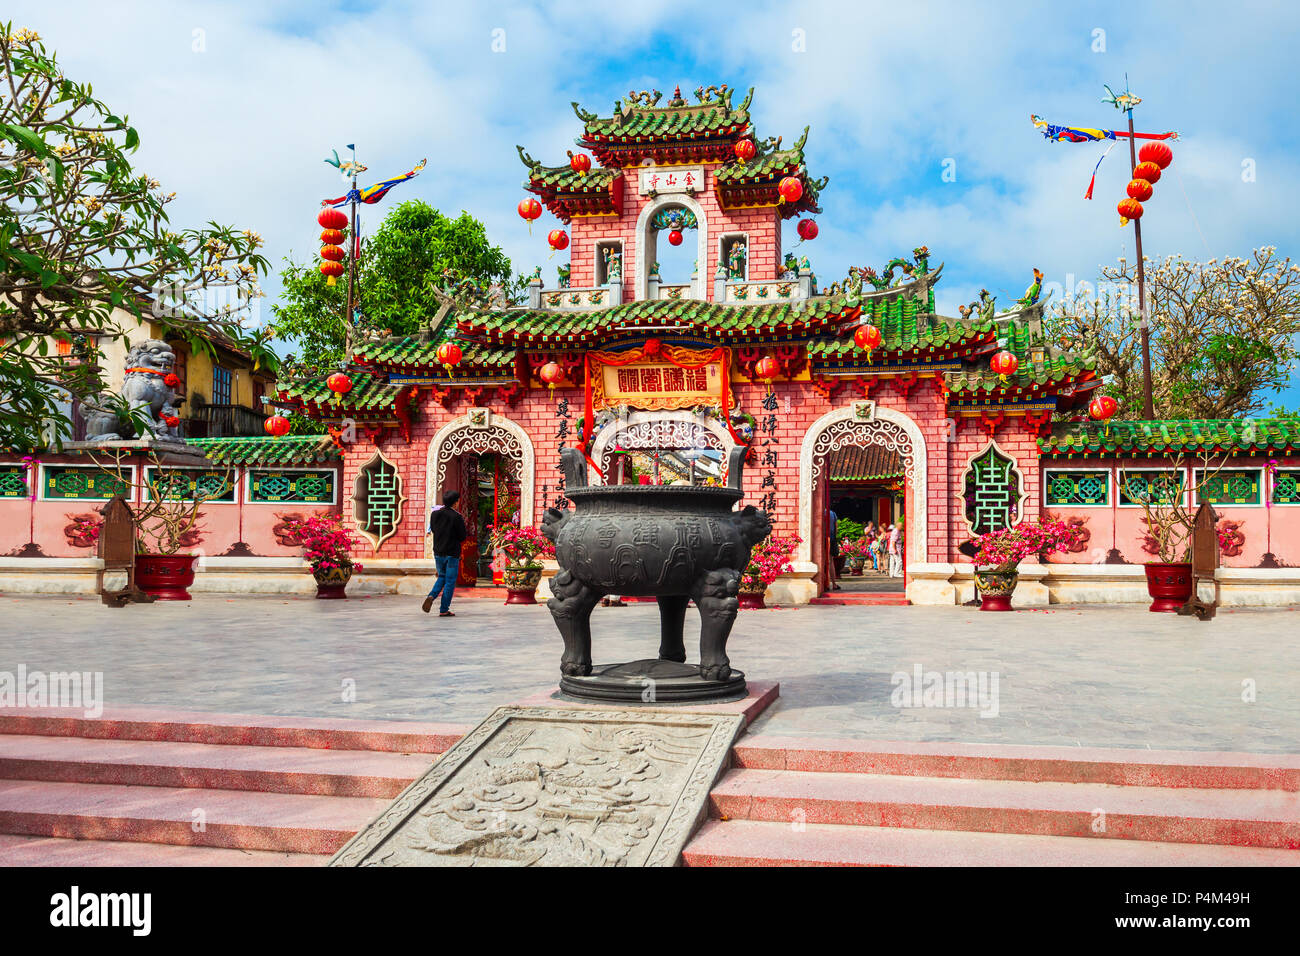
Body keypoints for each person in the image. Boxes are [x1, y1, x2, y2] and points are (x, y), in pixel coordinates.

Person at [423, 490, 468, 616]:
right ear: (455, 502)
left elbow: (433, 529)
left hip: (438, 551)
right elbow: (462, 536)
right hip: (452, 553)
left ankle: (432, 596)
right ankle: (443, 609)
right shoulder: (457, 517)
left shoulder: (435, 514)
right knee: (449, 581)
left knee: (442, 576)